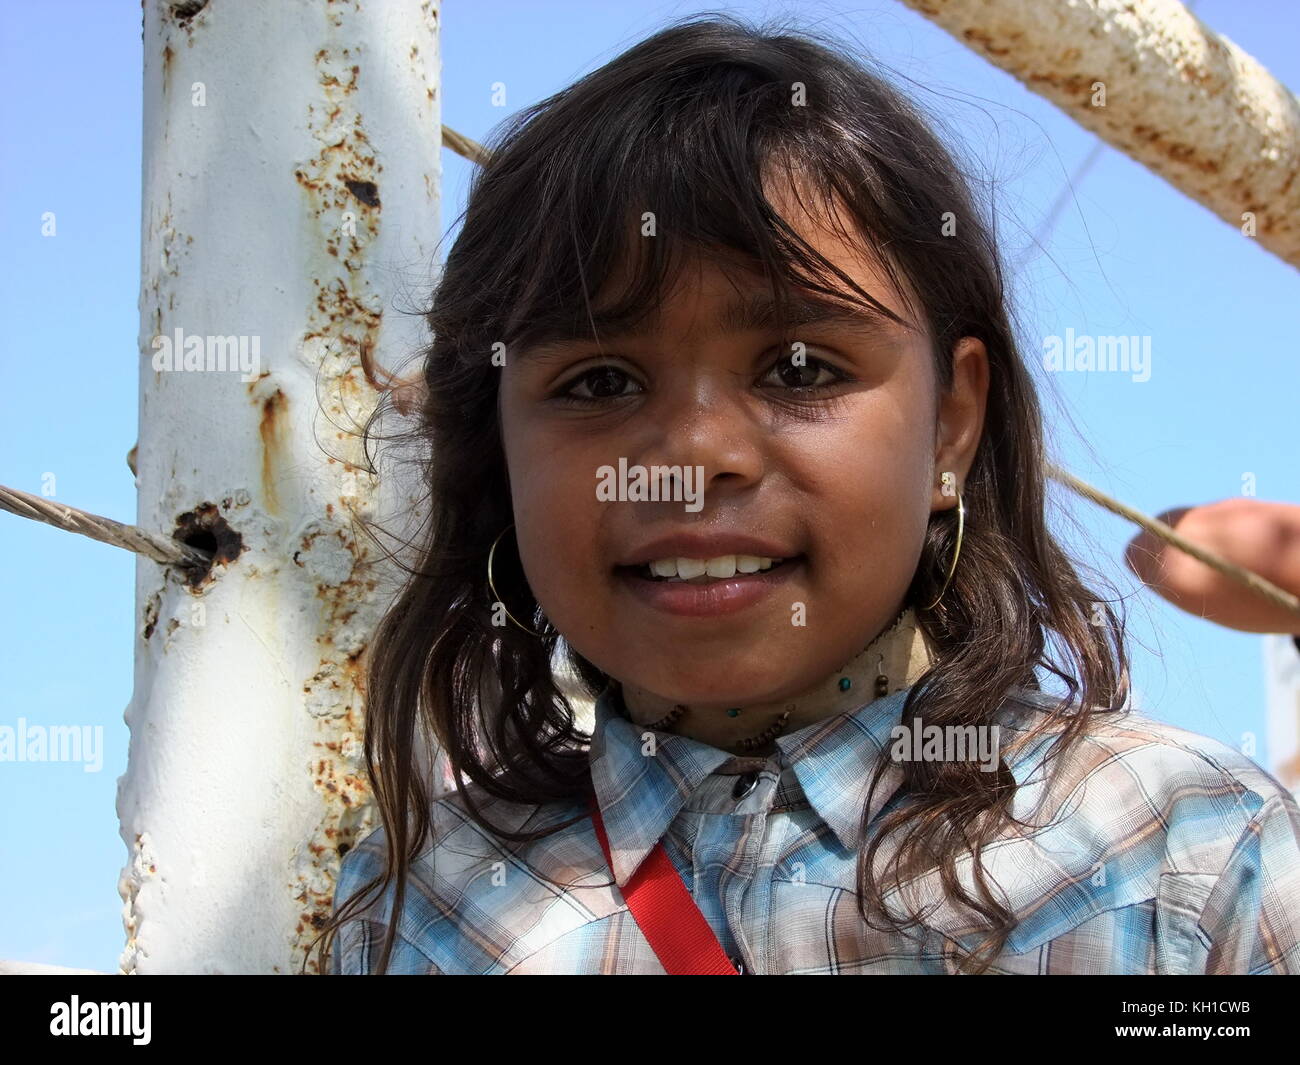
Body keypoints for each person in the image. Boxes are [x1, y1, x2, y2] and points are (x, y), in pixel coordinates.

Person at [314, 16, 1300, 975]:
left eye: (798, 368)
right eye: (600, 382)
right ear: (496, 443)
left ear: (950, 422)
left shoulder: (1183, 858)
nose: (694, 455)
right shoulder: (421, 916)